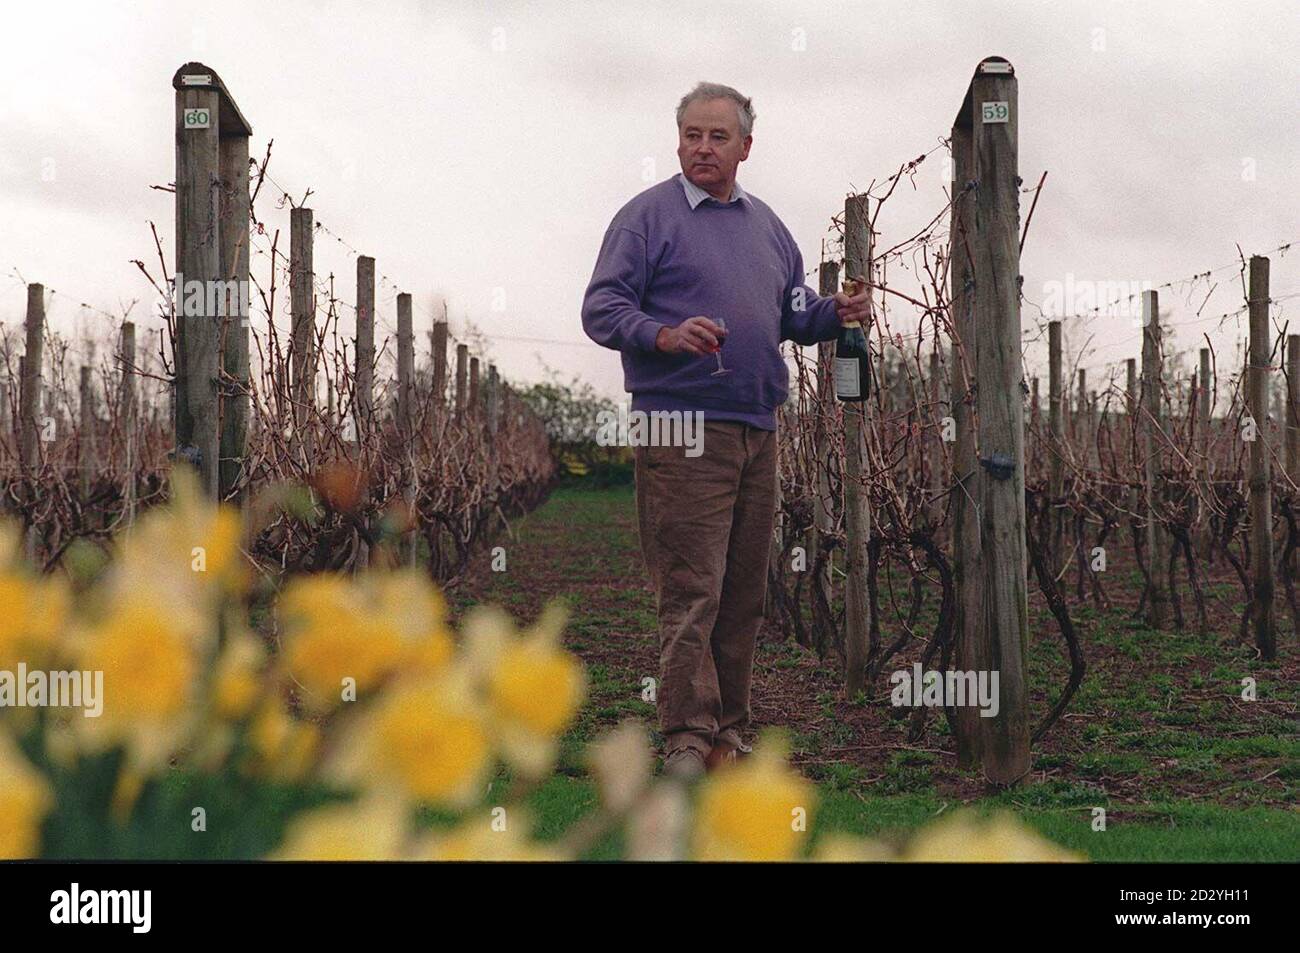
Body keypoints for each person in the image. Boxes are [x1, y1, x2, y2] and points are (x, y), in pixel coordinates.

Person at [581, 81, 870, 778]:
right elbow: (601, 308)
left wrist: (833, 310)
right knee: (691, 588)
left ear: (746, 146)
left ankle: (728, 736)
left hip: (756, 426)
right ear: (677, 139)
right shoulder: (644, 219)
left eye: (717, 137)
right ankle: (685, 734)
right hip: (679, 425)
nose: (701, 148)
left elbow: (790, 311)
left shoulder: (766, 226)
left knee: (744, 589)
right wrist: (665, 334)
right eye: (691, 135)